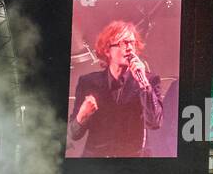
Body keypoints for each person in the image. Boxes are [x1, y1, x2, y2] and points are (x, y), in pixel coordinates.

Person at [68, 20, 164, 157]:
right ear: (107, 50)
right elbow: (74, 134)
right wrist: (81, 117)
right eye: (123, 43)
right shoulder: (88, 82)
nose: (130, 48)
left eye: (132, 43)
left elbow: (155, 123)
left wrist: (144, 85)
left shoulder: (150, 81)